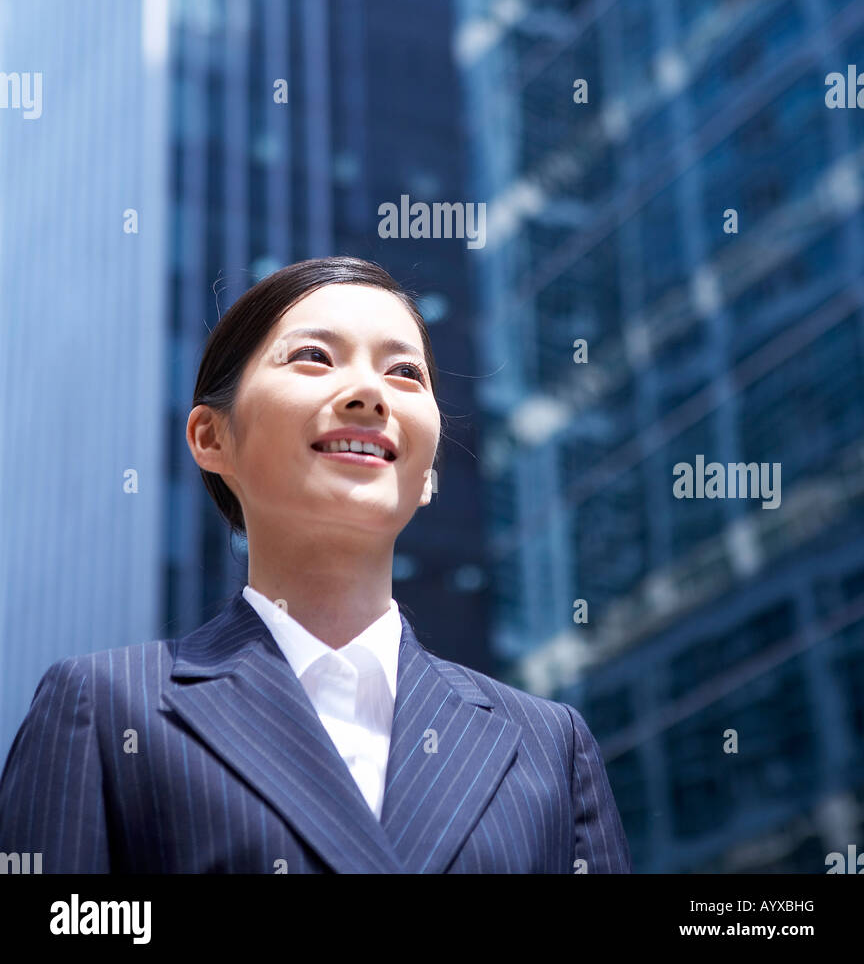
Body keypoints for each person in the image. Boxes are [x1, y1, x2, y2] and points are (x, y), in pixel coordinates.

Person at [0, 256, 631, 874]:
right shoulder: (107, 710)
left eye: (405, 373)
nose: (368, 394)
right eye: (314, 358)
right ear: (212, 438)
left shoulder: (547, 747)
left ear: (429, 473)